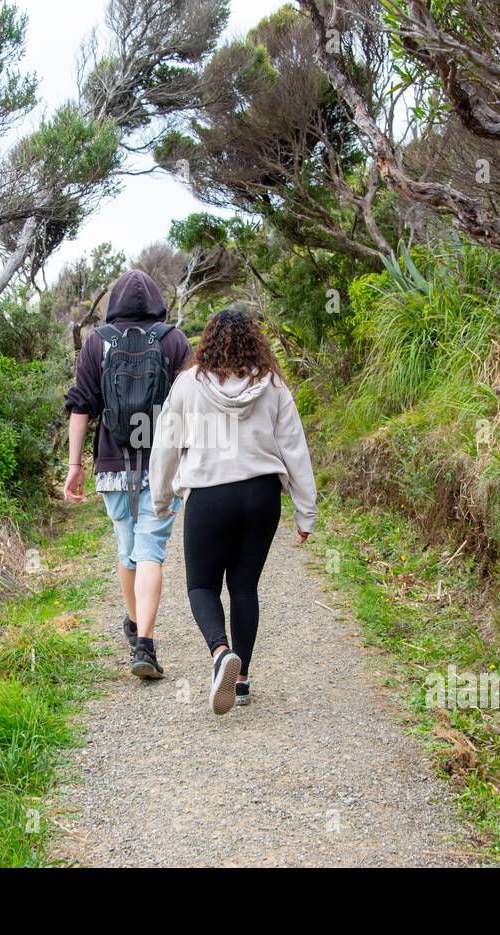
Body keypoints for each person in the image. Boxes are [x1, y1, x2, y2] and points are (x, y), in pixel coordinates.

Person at [149, 308, 316, 715]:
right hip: (260, 496)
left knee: (202, 586)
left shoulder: (188, 384)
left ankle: (221, 653)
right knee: (244, 587)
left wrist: (161, 498)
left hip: (209, 496)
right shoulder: (272, 384)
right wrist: (304, 510)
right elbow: (295, 447)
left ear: (207, 340)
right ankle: (240, 681)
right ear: (254, 340)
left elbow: (166, 444)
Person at [63, 269, 192, 679]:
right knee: (151, 549)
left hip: (113, 466)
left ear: (113, 302)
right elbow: (193, 407)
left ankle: (135, 626)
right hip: (162, 465)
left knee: (126, 548)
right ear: (158, 300)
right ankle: (146, 646)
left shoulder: (97, 342)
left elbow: (80, 406)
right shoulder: (173, 340)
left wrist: (75, 466)